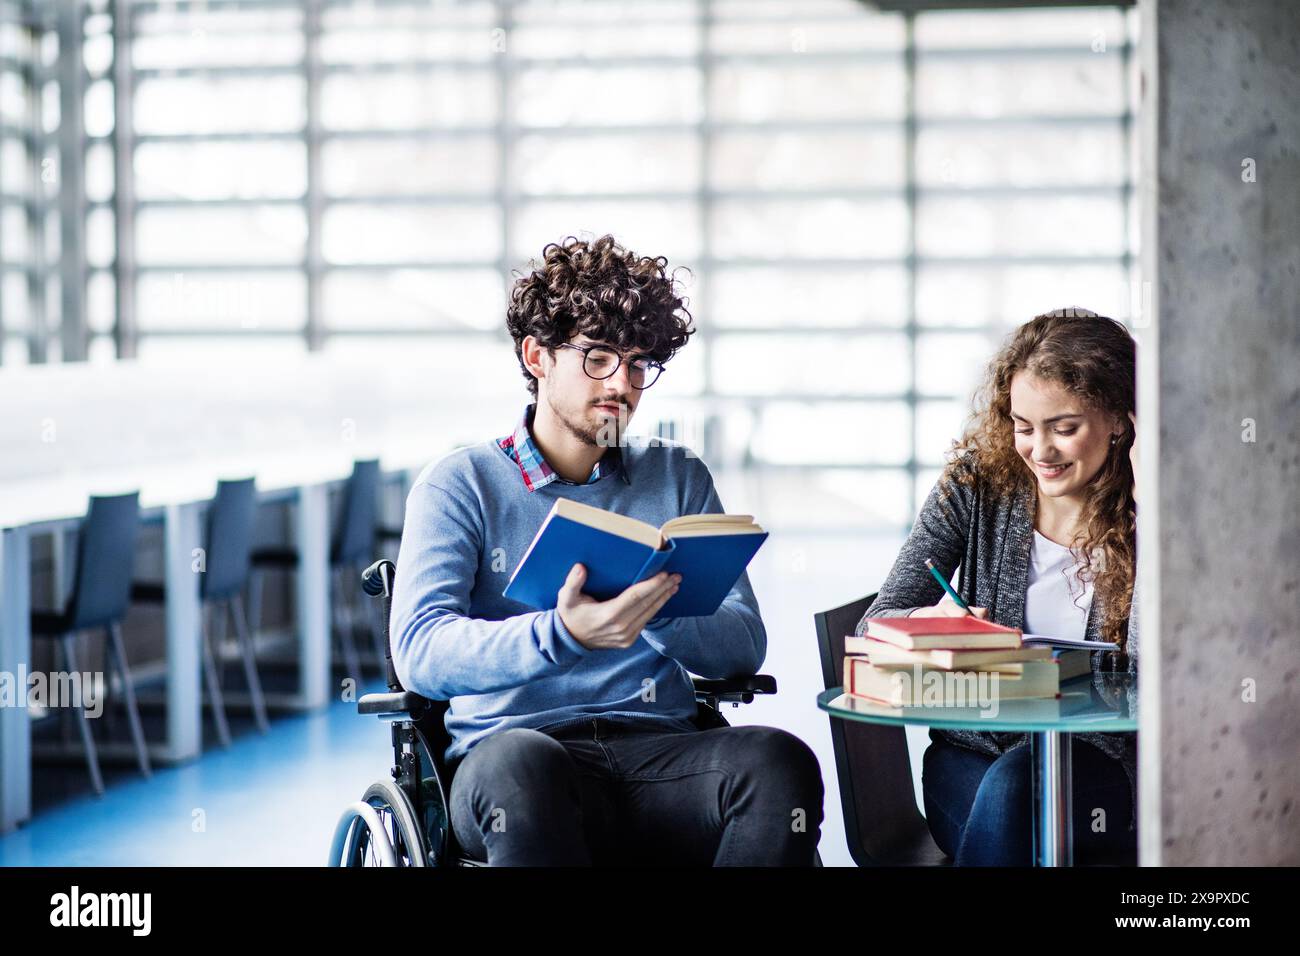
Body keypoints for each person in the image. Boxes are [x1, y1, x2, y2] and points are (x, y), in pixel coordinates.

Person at [390, 234, 824, 866]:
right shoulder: (460, 484)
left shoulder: (677, 476)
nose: (622, 383)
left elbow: (742, 644)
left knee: (776, 762)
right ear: (537, 356)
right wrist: (562, 634)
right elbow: (421, 651)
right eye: (598, 358)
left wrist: (661, 612)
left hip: (659, 749)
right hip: (516, 752)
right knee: (523, 767)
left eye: (639, 363)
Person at [857, 307, 1139, 865]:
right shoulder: (976, 483)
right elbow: (877, 625)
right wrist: (932, 631)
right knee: (1010, 793)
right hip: (971, 758)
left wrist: (1152, 507)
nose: (1039, 451)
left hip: (1099, 769)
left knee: (1018, 791)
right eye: (1023, 426)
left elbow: (1154, 674)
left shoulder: (1151, 510)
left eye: (1064, 428)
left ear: (1120, 420)